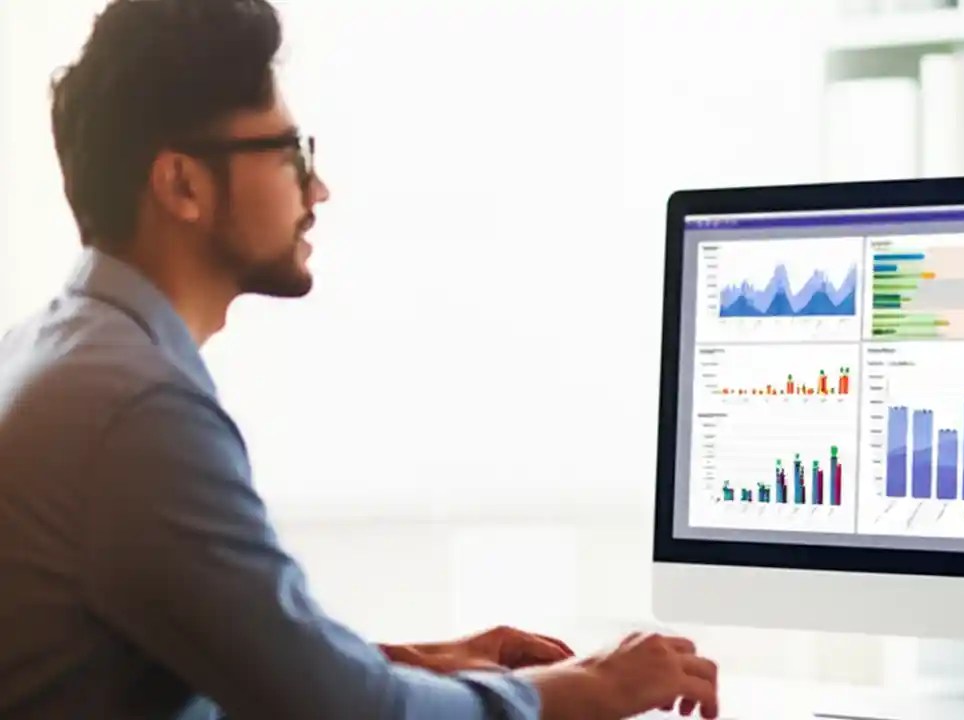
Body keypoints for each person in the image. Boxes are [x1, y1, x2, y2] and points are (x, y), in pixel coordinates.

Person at [0, 0, 720, 718]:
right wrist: (593, 689)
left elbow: (249, 661)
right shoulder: (137, 411)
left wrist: (430, 661)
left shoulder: (56, 355)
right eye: (290, 154)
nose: (317, 190)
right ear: (182, 184)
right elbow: (344, 711)